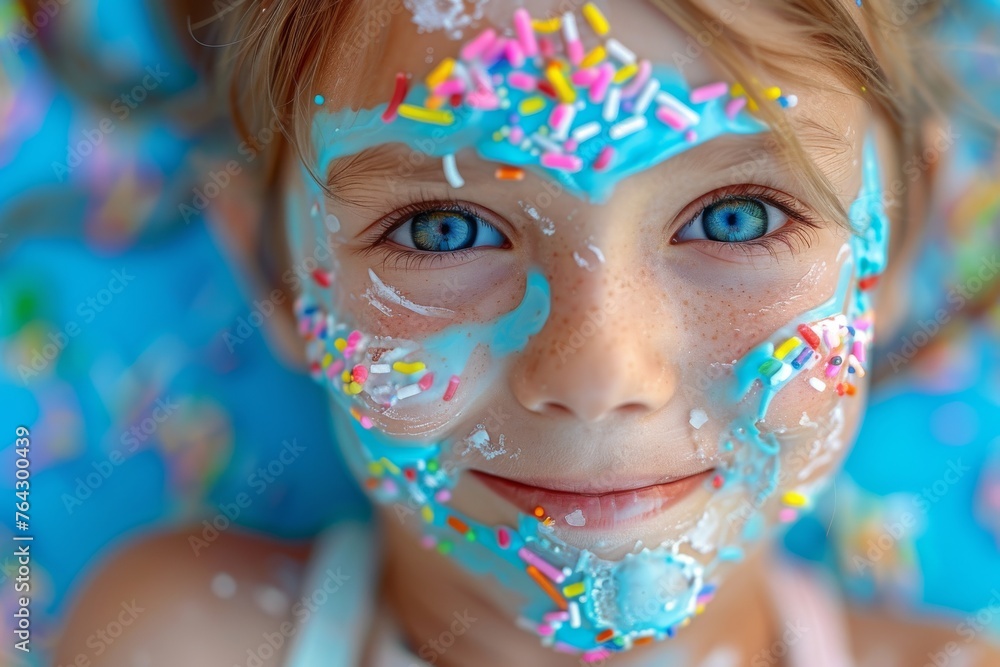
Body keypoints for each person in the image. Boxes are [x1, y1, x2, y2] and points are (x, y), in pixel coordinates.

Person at [55, 0, 1000, 665]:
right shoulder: (176, 643)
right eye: (443, 229)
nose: (598, 372)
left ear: (901, 241)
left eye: (738, 217)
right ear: (277, 273)